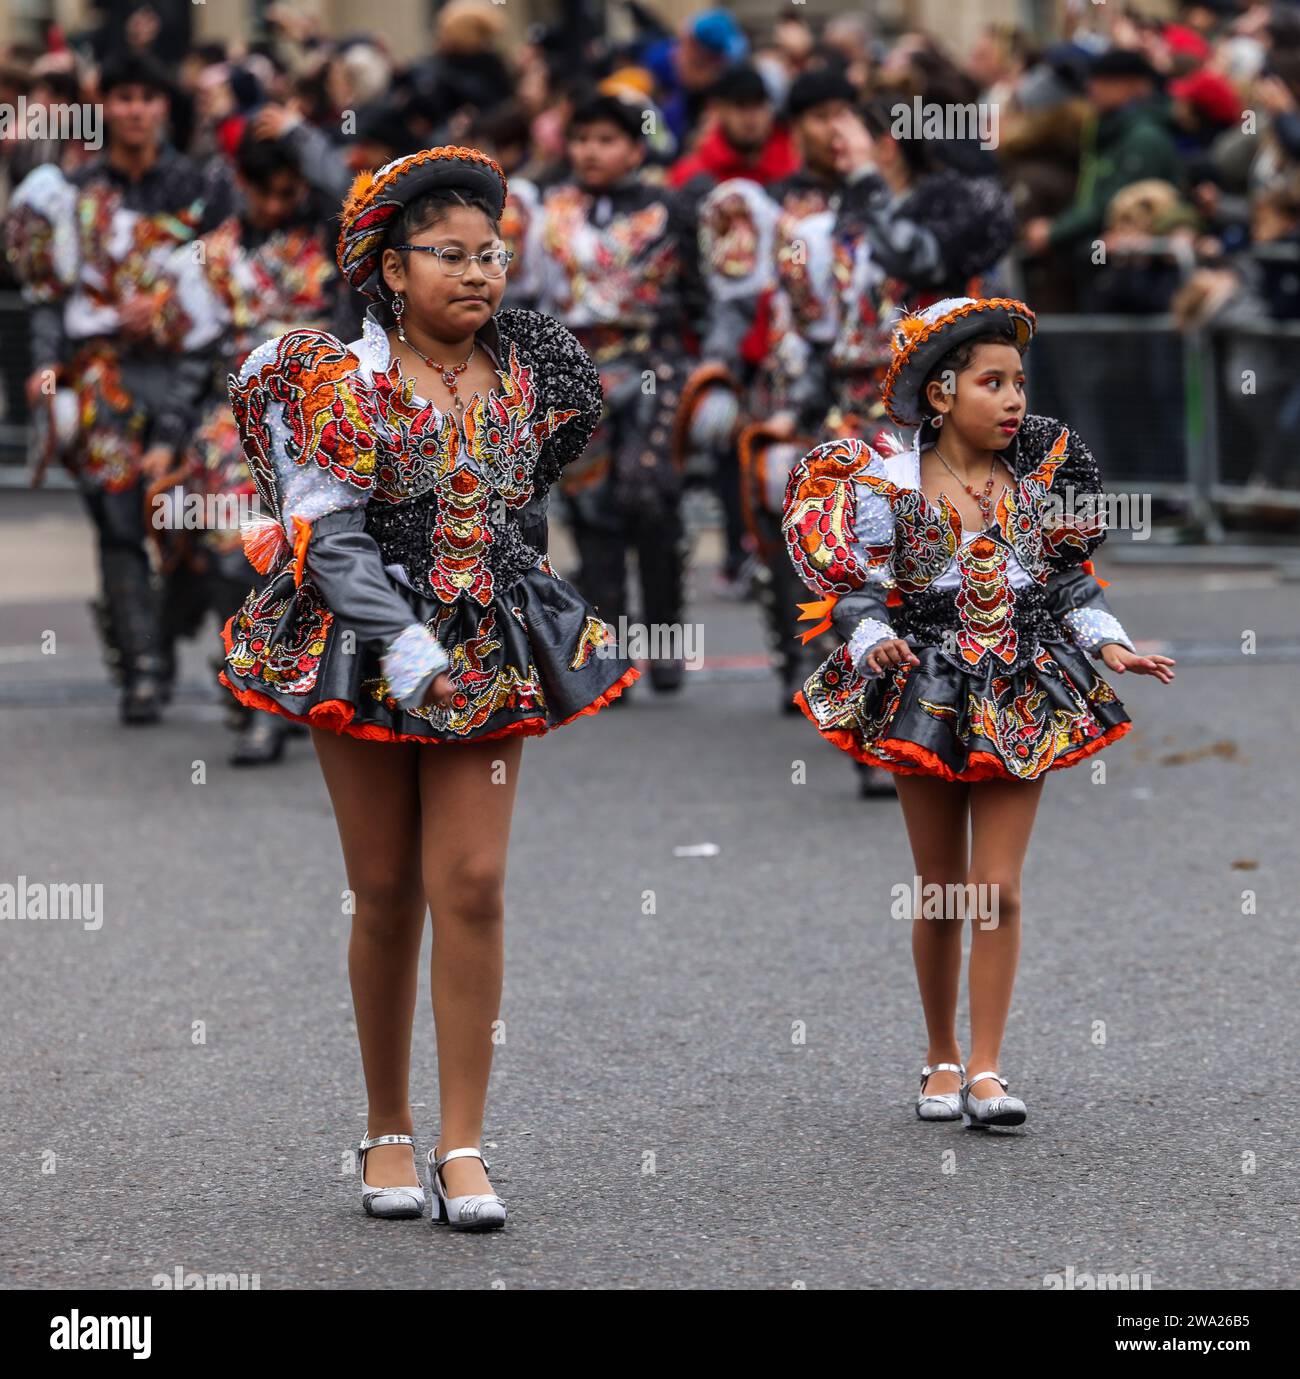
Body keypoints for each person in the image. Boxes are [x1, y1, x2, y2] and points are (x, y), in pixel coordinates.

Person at [218, 146, 639, 1229]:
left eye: (490, 253)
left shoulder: (536, 368)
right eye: (448, 254)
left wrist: (496, 601)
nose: (477, 272)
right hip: (360, 646)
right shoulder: (335, 381)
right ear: (391, 269)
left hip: (486, 644)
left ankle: (462, 1139)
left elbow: (527, 499)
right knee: (388, 887)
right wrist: (401, 640)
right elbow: (329, 532)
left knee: (475, 881)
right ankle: (387, 1124)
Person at [781, 297, 1175, 1129]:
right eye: (991, 383)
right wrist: (873, 640)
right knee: (941, 890)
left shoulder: (1039, 478)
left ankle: (989, 1067)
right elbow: (855, 593)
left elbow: (1069, 583)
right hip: (921, 687)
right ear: (941, 393)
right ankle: (940, 1055)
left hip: (1024, 682)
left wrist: (1113, 646)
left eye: (1020, 384)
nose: (1013, 401)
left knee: (996, 888)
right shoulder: (883, 482)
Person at [5, 51, 233, 723]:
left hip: (190, 376)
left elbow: (228, 280)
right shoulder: (69, 193)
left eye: (147, 96)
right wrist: (45, 367)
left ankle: (162, 635)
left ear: (165, 107)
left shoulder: (205, 188)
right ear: (103, 108)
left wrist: (165, 309)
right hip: (100, 375)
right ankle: (142, 668)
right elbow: (49, 295)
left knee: (194, 519)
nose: (135, 109)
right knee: (117, 517)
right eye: (123, 96)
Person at [160, 126, 339, 765]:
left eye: (286, 191)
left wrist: (299, 132)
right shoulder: (211, 255)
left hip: (323, 420)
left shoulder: (328, 245)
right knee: (238, 557)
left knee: (315, 557)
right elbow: (193, 354)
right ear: (241, 185)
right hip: (233, 427)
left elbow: (347, 189)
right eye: (261, 191)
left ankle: (300, 685)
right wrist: (169, 434)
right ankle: (254, 699)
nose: (273, 203)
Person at [525, 93, 706, 693]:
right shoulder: (548, 208)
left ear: (635, 148)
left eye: (606, 140)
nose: (591, 152)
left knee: (651, 497)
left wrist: (712, 364)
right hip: (574, 367)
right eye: (581, 139)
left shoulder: (670, 208)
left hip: (654, 361)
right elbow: (527, 290)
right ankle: (610, 655)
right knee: (593, 509)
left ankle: (666, 641)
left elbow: (701, 294)